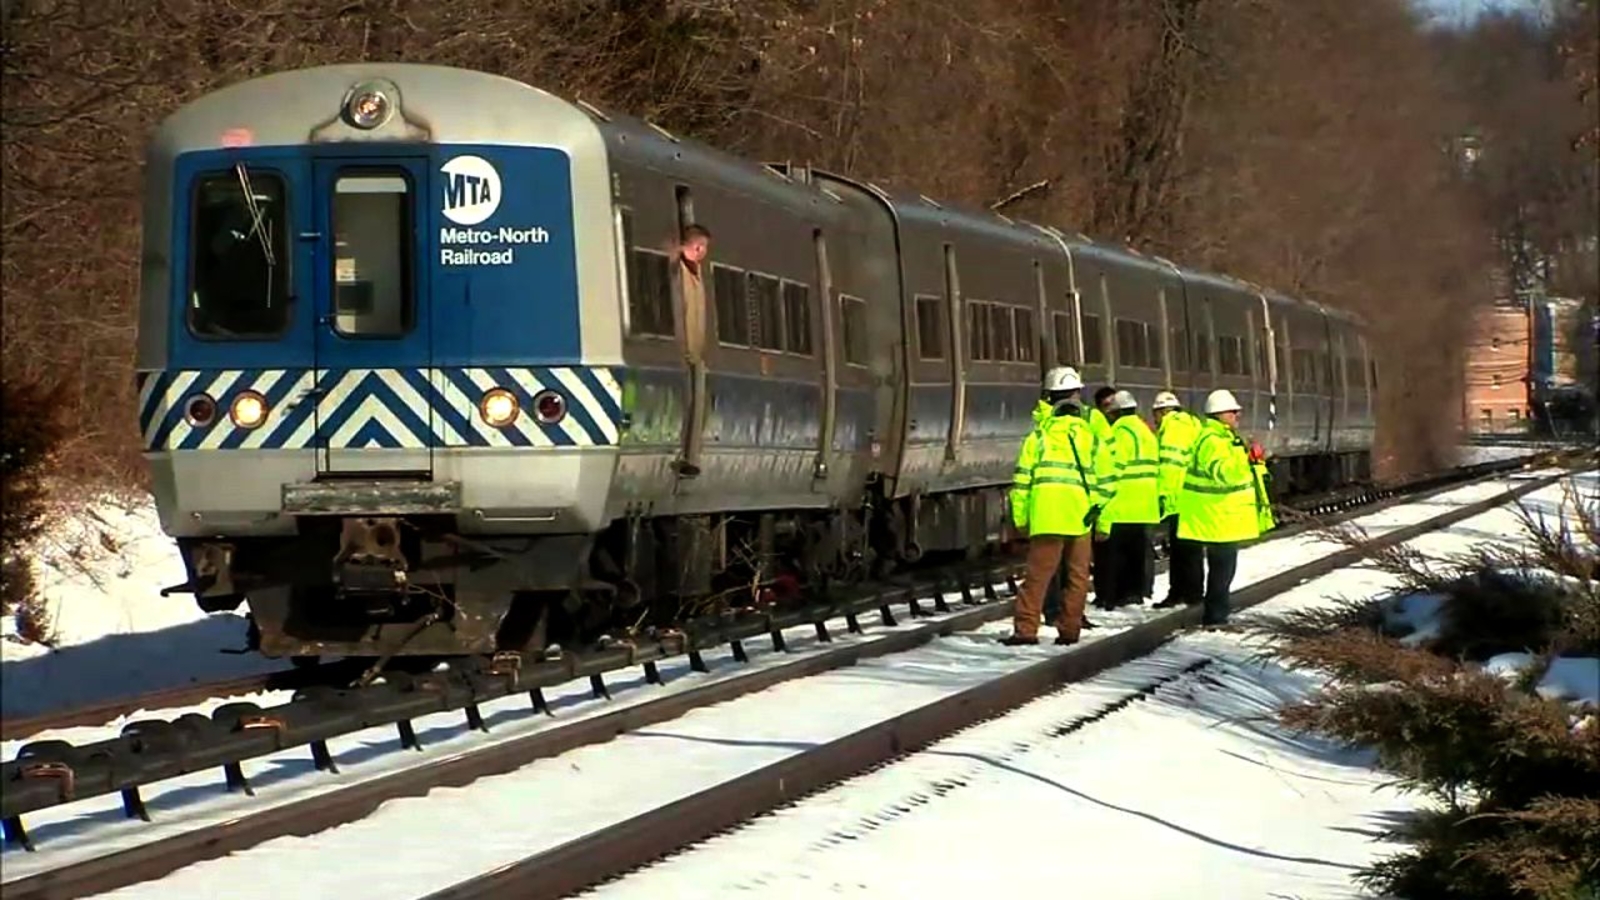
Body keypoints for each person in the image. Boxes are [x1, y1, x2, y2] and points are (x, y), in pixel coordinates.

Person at [1002, 366, 1113, 646]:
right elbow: (1106, 485)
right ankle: (1070, 631)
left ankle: (1026, 630)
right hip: (1081, 517)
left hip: (1047, 516)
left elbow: (1022, 483)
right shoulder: (1091, 438)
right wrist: (1102, 522)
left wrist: (1021, 519)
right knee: (1078, 577)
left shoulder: (1037, 438)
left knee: (1038, 577)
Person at [1175, 389, 1274, 626]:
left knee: (1223, 570)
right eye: (1233, 412)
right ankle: (1215, 616)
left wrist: (1256, 463)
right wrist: (1247, 458)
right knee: (1222, 571)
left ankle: (1217, 614)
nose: (1237, 415)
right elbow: (1224, 473)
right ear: (1220, 414)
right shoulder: (1212, 441)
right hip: (1216, 518)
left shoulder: (1224, 438)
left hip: (1222, 517)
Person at [1095, 390, 1161, 608]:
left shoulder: (1121, 433)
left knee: (1116, 558)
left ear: (1115, 413)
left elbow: (1113, 469)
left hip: (1122, 504)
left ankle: (1115, 597)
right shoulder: (1145, 432)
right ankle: (1134, 595)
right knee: (1135, 557)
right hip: (1144, 505)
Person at [1150, 391, 1204, 609]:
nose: (1154, 419)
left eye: (1155, 413)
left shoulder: (1171, 430)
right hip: (1193, 496)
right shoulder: (1192, 424)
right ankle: (1189, 593)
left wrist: (1163, 496)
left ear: (1163, 412)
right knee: (1190, 549)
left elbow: (1169, 468)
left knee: (1183, 550)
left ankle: (1184, 594)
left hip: (1178, 498)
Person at [673, 224, 712, 478]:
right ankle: (685, 455)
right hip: (685, 356)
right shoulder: (679, 274)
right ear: (697, 247)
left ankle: (690, 455)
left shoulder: (692, 273)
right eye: (705, 248)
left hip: (693, 356)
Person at [1086, 385, 1118, 608]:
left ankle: (1109, 595)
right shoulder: (1096, 426)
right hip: (1106, 499)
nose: (1111, 411)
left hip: (1121, 501)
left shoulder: (1132, 428)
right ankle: (1105, 595)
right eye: (1107, 406)